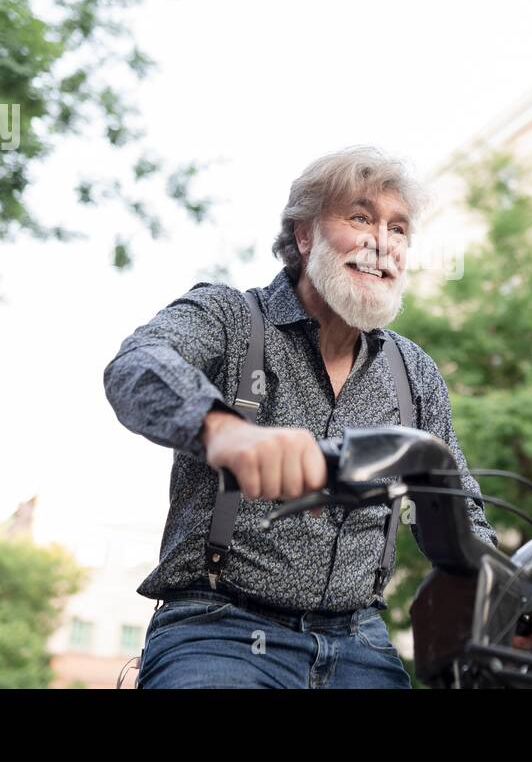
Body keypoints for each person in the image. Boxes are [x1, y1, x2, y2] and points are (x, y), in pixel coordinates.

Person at [103, 146, 503, 688]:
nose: (382, 243)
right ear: (304, 235)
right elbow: (137, 365)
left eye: (398, 228)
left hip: (361, 641)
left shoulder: (414, 372)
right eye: (360, 218)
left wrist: (504, 597)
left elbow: (460, 512)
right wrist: (223, 431)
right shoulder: (230, 317)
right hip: (218, 628)